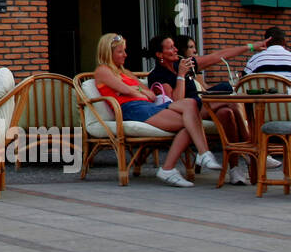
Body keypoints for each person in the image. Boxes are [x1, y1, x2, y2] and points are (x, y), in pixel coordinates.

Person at [92, 33, 223, 187]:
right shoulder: (102, 70)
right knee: (190, 122)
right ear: (108, 53)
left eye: (124, 50)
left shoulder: (125, 72)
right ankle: (170, 167)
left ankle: (201, 154)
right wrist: (135, 90)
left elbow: (151, 95)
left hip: (148, 106)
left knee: (190, 105)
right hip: (132, 110)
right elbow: (128, 90)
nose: (125, 55)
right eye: (120, 51)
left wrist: (135, 90)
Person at [161, 33, 270, 184]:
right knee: (229, 98)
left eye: (174, 47)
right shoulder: (160, 74)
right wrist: (181, 75)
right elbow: (175, 103)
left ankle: (235, 169)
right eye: (170, 48)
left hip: (201, 106)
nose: (175, 50)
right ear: (159, 54)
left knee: (226, 111)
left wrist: (250, 47)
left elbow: (220, 55)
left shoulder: (186, 64)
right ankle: (253, 152)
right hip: (188, 112)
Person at [243, 26, 291, 90]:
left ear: (265, 43)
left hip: (262, 101)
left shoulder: (255, 59)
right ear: (284, 42)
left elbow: (243, 84)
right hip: (290, 102)